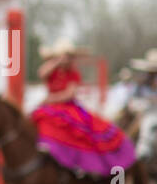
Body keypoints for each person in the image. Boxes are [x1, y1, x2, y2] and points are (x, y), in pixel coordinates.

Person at [30, 39, 135, 176]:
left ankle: (78, 163)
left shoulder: (74, 73)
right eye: (64, 56)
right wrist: (57, 62)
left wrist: (50, 99)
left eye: (69, 56)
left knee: (80, 128)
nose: (66, 59)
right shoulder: (52, 70)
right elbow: (42, 73)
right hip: (50, 107)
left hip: (67, 107)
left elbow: (69, 94)